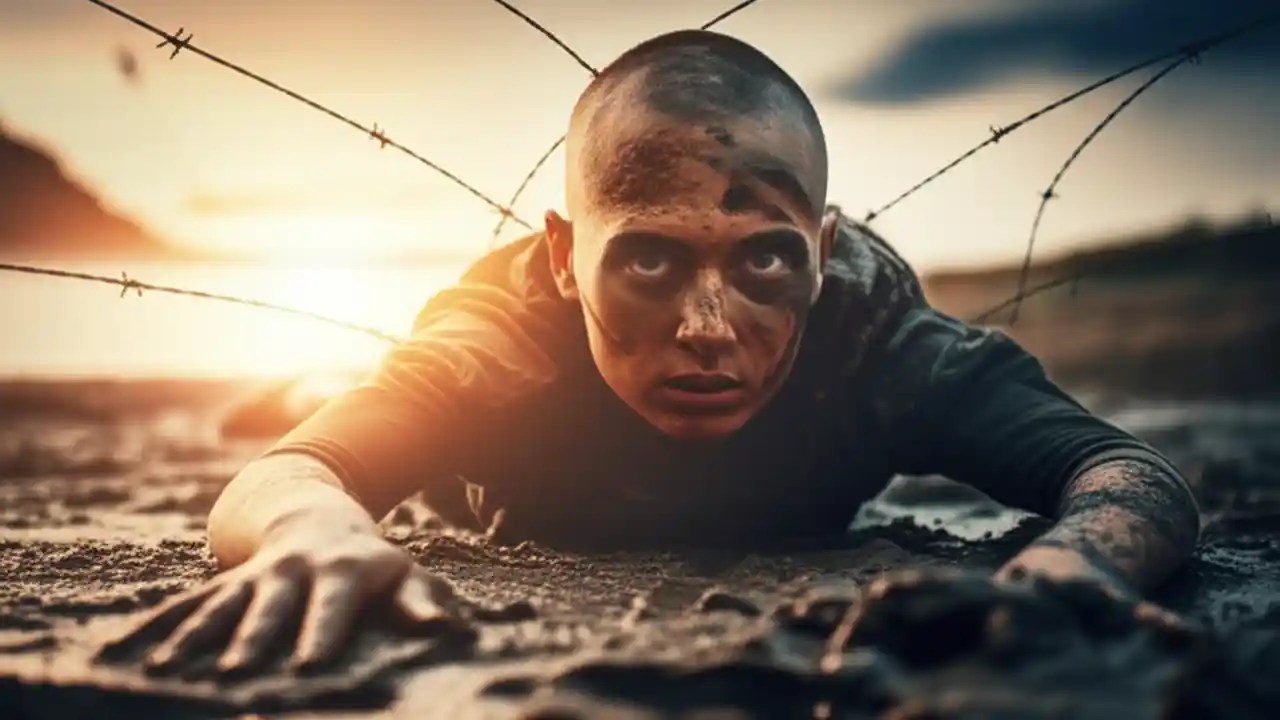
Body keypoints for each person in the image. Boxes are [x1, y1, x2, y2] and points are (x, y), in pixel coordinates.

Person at [113, 29, 1200, 675]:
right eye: (647, 263)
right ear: (561, 256)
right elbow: (291, 474)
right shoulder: (504, 342)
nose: (706, 330)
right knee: (339, 402)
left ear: (821, 253)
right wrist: (314, 538)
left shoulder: (878, 342)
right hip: (473, 431)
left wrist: (1075, 560)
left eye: (766, 263)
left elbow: (1126, 476)